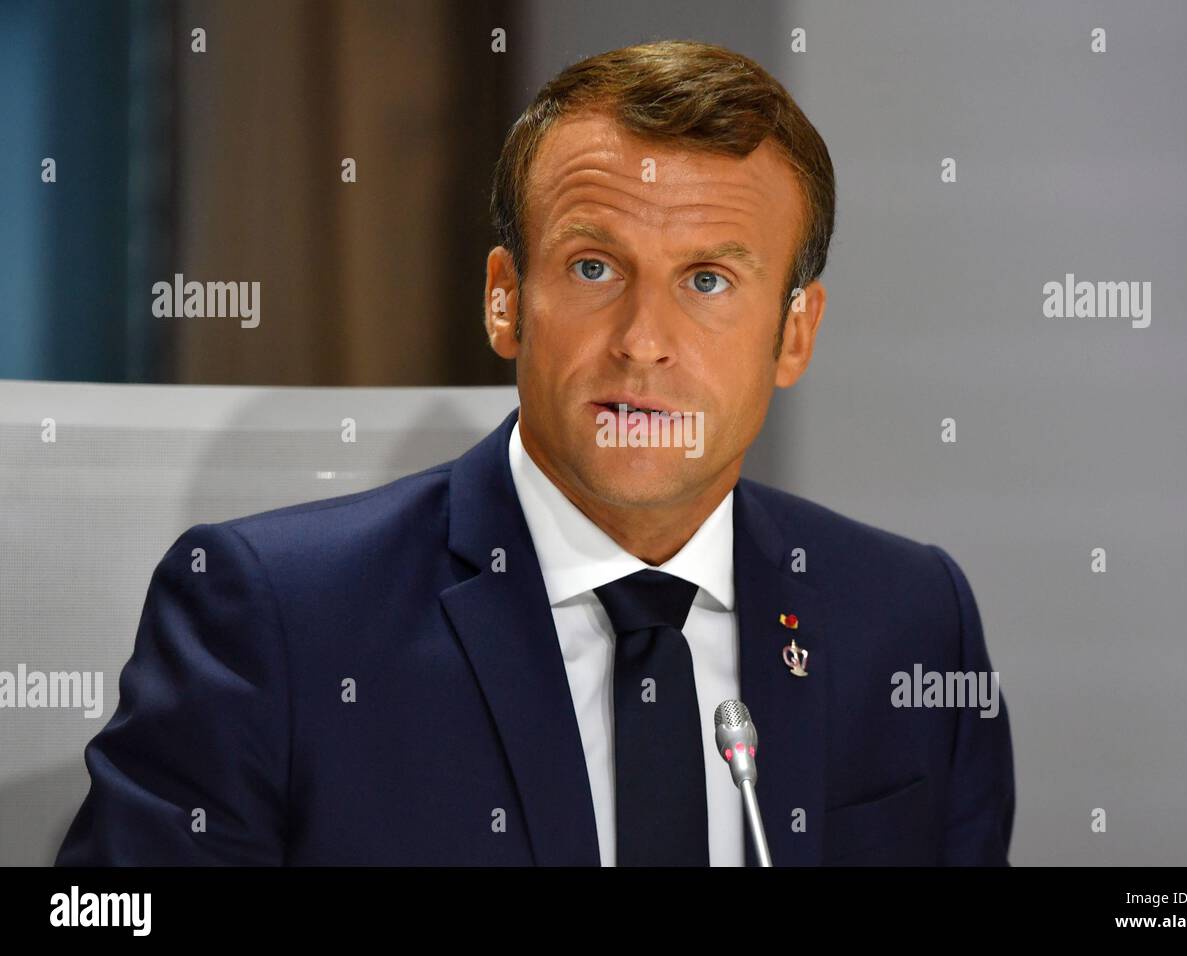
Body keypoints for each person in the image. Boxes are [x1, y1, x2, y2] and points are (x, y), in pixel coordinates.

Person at [56, 39, 1013, 867]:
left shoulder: (911, 620)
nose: (644, 339)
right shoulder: (271, 619)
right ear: (506, 299)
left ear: (794, 334)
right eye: (594, 268)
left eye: (709, 279)